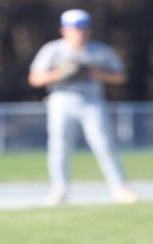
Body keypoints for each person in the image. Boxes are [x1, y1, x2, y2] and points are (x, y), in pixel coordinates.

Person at [28, 8, 138, 205]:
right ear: (64, 30)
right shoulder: (53, 50)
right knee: (59, 146)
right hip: (61, 99)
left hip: (91, 100)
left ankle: (119, 187)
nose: (79, 32)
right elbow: (35, 79)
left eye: (83, 28)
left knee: (103, 143)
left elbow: (120, 77)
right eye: (75, 28)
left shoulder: (100, 50)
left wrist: (95, 73)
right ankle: (59, 190)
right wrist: (61, 73)